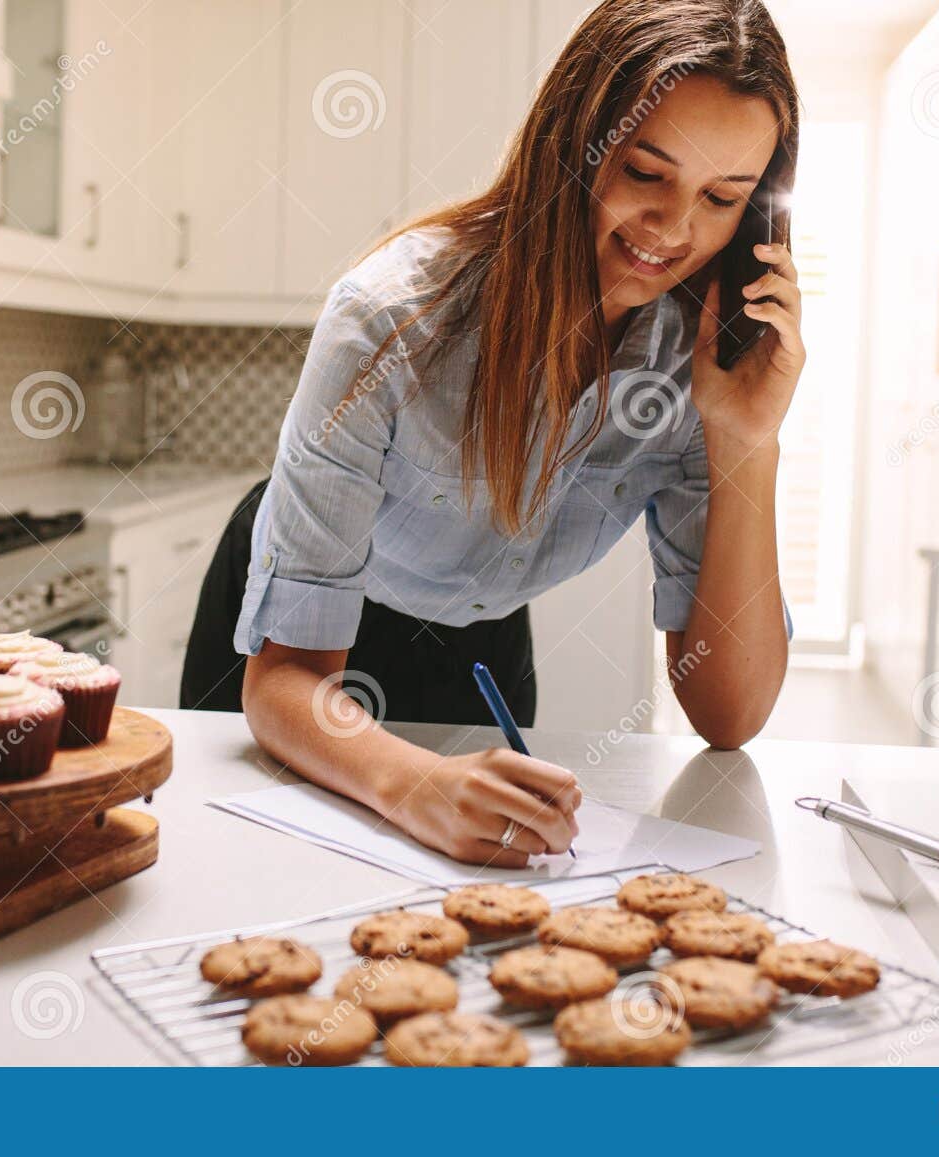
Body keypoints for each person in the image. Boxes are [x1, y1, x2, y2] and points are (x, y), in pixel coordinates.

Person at [181, 0, 803, 866]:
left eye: (723, 198)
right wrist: (412, 785)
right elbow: (284, 679)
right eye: (645, 172)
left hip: (482, 640)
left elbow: (728, 715)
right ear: (573, 144)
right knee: (262, 892)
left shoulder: (700, 359)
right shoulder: (389, 317)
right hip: (306, 648)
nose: (673, 229)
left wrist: (746, 442)